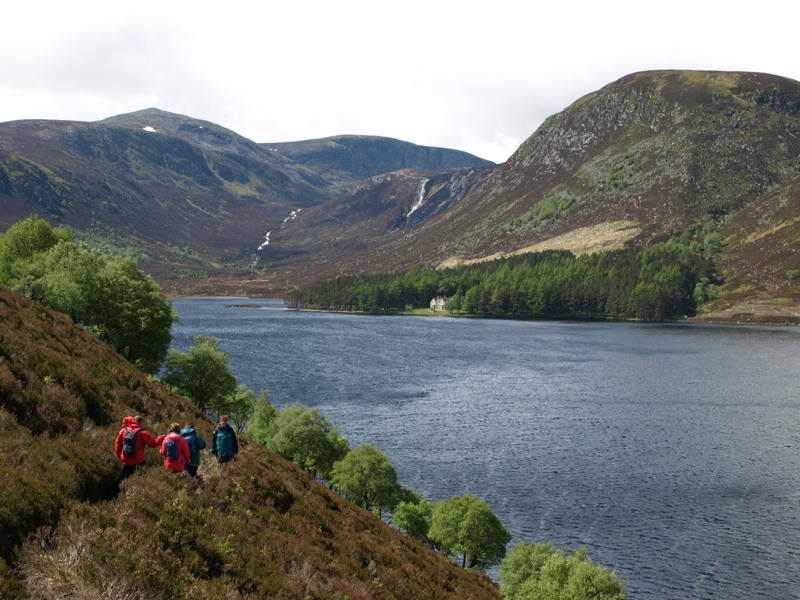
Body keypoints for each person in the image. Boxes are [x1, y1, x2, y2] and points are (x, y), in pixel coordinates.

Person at [114, 415, 164, 480]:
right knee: (140, 479)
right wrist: (161, 438)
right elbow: (153, 444)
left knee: (124, 479)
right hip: (138, 461)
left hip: (126, 461)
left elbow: (117, 445)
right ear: (140, 422)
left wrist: (121, 457)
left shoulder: (123, 430)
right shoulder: (143, 432)